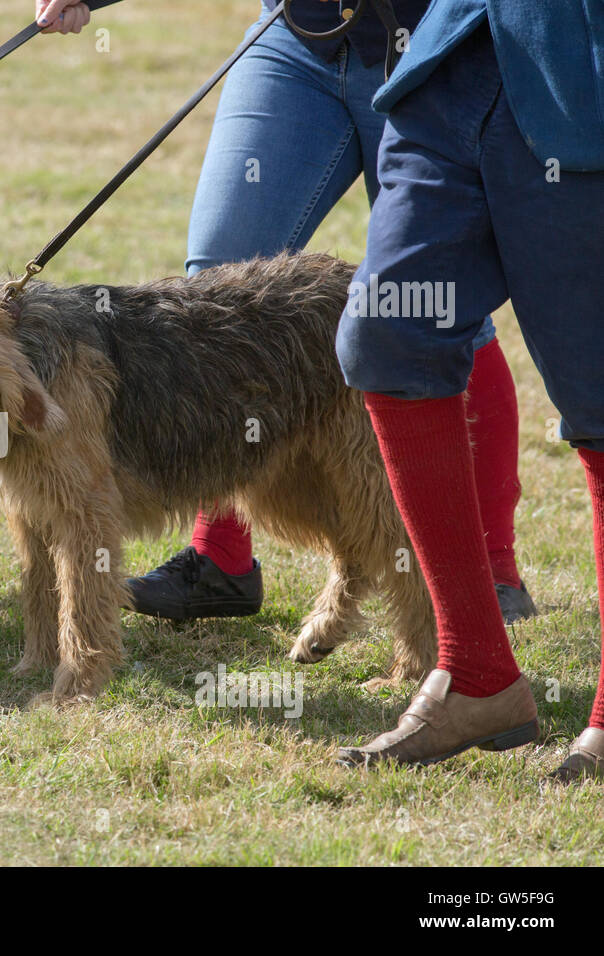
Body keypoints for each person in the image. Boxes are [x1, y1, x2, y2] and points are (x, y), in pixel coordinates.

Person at [34, 0, 538, 628]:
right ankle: (221, 560)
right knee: (215, 288)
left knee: (435, 304)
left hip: (432, 46)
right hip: (301, 36)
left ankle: (490, 569)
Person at [328, 0, 604, 780]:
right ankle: (476, 674)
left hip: (581, 76)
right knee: (387, 334)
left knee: (599, 397)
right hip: (449, 61)